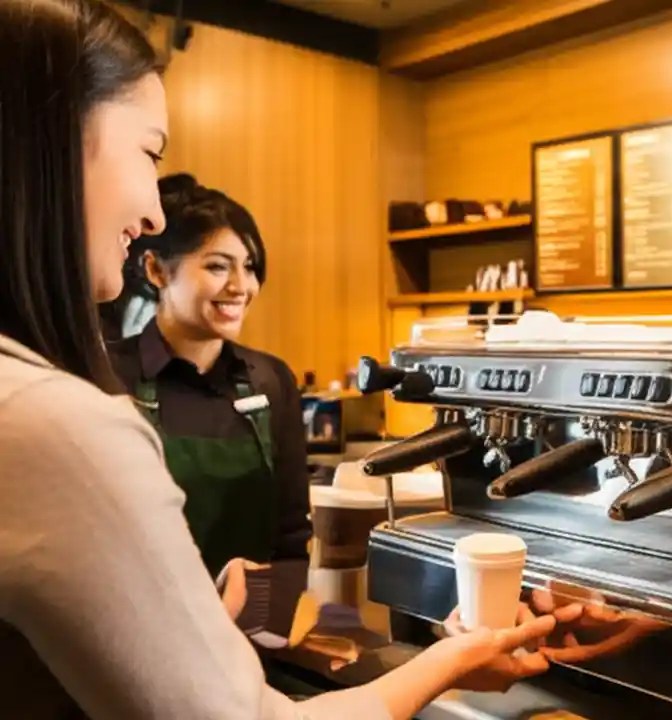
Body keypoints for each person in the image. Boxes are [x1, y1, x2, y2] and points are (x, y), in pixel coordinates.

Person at [0, 2, 577, 718]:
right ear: (49, 144)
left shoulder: (256, 378)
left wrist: (187, 615)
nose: (152, 209)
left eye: (248, 268)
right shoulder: (58, 422)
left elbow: (285, 547)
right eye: (150, 152)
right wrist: (450, 663)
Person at [108, 174, 310, 577]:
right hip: (140, 624)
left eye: (249, 268)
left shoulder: (270, 380)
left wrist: (267, 633)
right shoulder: (108, 377)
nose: (241, 286)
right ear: (156, 271)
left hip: (251, 628)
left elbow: (290, 539)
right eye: (218, 266)